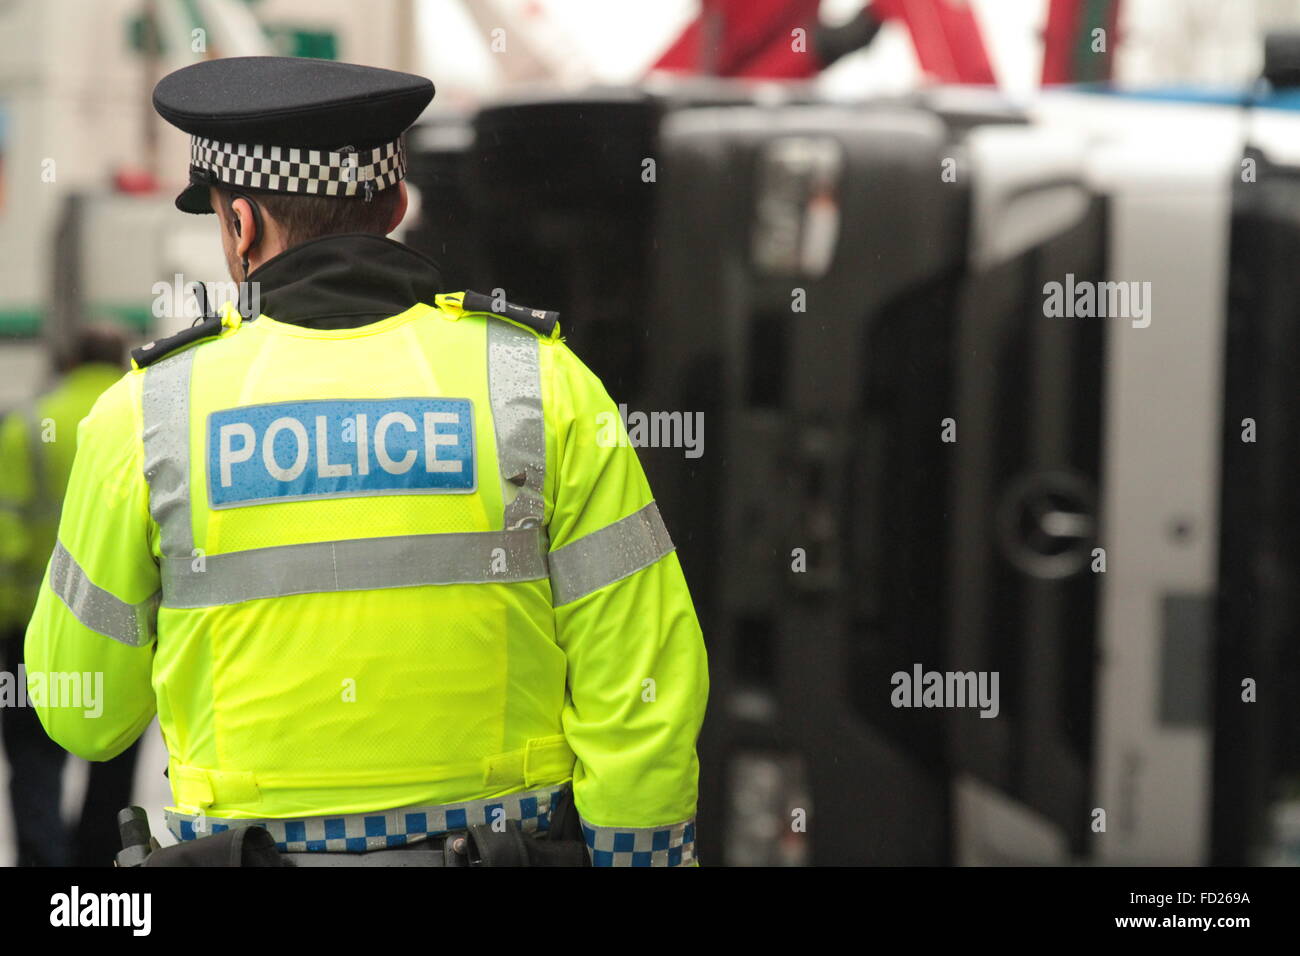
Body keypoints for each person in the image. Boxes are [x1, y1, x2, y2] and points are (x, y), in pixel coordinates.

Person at [24, 56, 708, 867]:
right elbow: (644, 692)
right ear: (395, 203)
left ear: (241, 227)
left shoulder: (146, 414)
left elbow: (85, 713)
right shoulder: (541, 383)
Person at [0, 324, 141, 866]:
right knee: (115, 754)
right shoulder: (141, 414)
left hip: (33, 624)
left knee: (34, 756)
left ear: (66, 359)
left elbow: (8, 540)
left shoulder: (29, 424)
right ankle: (98, 861)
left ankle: (45, 860)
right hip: (124, 622)